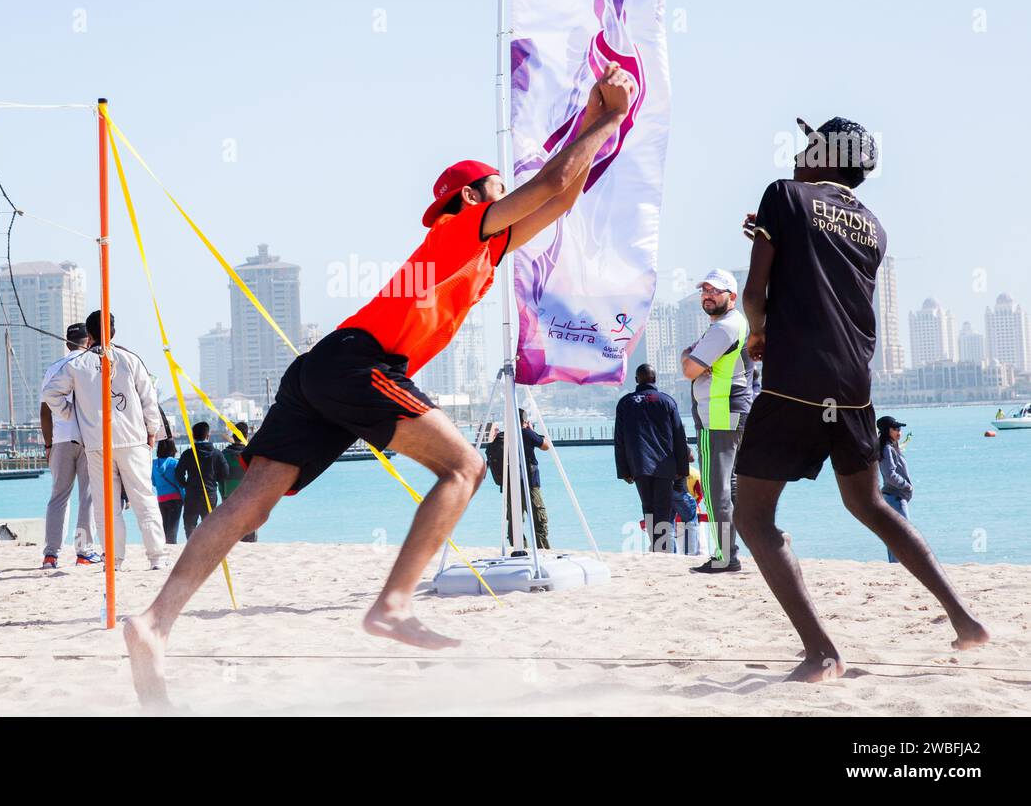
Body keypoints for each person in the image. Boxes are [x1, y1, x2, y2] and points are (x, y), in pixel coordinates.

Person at [122, 62, 638, 707]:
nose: (514, 202)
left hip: (322, 369)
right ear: (476, 198)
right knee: (466, 468)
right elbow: (554, 181)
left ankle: (154, 623)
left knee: (252, 502)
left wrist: (597, 121)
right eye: (503, 191)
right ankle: (392, 606)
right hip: (359, 363)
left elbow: (563, 195)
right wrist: (612, 117)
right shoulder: (459, 228)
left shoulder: (486, 250)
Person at [733, 116, 988, 681]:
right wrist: (777, 232)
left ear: (826, 153)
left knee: (753, 517)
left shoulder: (784, 195)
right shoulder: (872, 225)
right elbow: (827, 274)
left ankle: (822, 652)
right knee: (869, 504)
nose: (800, 151)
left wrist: (758, 333)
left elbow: (756, 293)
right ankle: (966, 619)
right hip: (853, 385)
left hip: (793, 379)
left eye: (809, 144)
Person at [41, 311, 169, 570]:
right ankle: (157, 557)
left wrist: (71, 413)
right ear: (112, 331)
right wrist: (152, 429)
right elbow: (149, 398)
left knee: (105, 505)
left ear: (89, 335)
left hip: (97, 442)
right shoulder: (130, 359)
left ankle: (114, 559)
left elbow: (50, 393)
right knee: (143, 498)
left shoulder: (77, 364)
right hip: (132, 439)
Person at [681, 268, 754, 572]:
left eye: (715, 290)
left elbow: (689, 369)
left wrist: (691, 356)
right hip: (731, 413)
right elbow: (695, 362)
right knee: (732, 489)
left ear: (731, 296)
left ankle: (725, 557)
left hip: (719, 415)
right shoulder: (731, 325)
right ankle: (758, 541)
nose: (708, 295)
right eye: (705, 290)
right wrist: (695, 357)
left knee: (714, 492)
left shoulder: (725, 327)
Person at [40, 323, 100, 569]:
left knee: (58, 496)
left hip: (61, 438)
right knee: (87, 496)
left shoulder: (55, 368)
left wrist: (48, 444)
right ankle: (83, 552)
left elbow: (44, 409)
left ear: (67, 343)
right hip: (89, 437)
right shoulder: (94, 364)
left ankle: (51, 554)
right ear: (89, 340)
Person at [613, 364, 691, 553]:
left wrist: (624, 471)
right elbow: (679, 436)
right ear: (655, 380)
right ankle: (663, 550)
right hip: (665, 465)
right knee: (663, 509)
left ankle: (658, 548)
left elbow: (619, 440)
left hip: (639, 465)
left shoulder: (625, 403)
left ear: (637, 380)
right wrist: (683, 469)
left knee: (648, 507)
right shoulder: (667, 401)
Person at [485, 410, 552, 549]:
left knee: (514, 520)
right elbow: (546, 446)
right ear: (524, 420)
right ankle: (542, 550)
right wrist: (531, 431)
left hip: (510, 485)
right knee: (538, 517)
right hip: (529, 483)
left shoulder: (503, 436)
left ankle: (520, 549)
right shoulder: (526, 433)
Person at [177, 422, 229, 539]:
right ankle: (208, 548)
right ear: (208, 435)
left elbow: (178, 473)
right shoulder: (217, 454)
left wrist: (185, 484)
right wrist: (215, 481)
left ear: (193, 435)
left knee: (190, 524)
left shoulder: (187, 454)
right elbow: (225, 472)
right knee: (210, 524)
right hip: (209, 492)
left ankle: (192, 548)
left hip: (192, 493)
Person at [877, 416, 912, 564]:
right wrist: (906, 485)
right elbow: (889, 474)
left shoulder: (891, 447)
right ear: (887, 431)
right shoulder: (886, 448)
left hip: (896, 497)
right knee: (903, 534)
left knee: (896, 533)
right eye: (895, 429)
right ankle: (897, 565)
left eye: (900, 429)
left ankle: (895, 564)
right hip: (895, 497)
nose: (899, 432)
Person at [220, 421, 257, 543]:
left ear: (233, 435)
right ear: (246, 435)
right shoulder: (251, 454)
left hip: (229, 495)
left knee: (231, 533)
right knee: (249, 531)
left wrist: (223, 494)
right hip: (248, 496)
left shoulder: (224, 454)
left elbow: (220, 478)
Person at [153, 438, 184, 544]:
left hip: (161, 498)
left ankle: (164, 547)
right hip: (175, 499)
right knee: (173, 528)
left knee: (164, 527)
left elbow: (153, 482)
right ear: (172, 449)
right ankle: (172, 547)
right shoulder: (175, 463)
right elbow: (180, 483)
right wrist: (184, 498)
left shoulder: (153, 464)